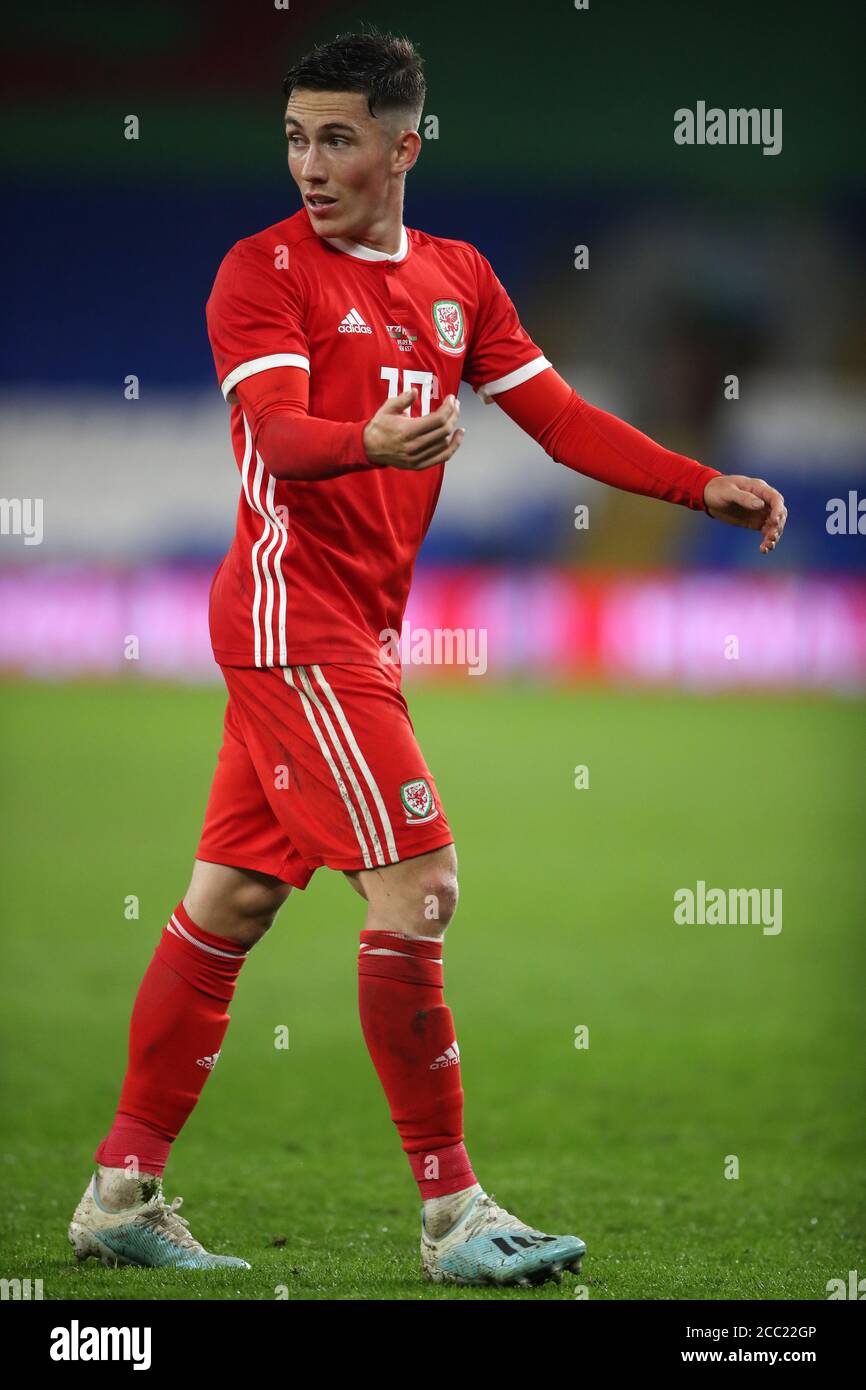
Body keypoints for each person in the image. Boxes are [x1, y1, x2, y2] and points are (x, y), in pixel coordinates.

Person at [69, 28, 786, 1288]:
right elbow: (282, 437)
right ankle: (456, 1217)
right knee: (421, 883)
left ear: (404, 145)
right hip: (298, 628)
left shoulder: (457, 275)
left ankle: (118, 1193)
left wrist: (697, 483)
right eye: (293, 136)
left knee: (229, 903)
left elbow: (557, 420)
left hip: (351, 634)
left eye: (336, 137)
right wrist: (370, 441)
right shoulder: (262, 273)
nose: (308, 163)